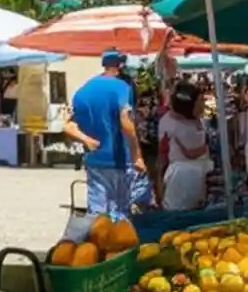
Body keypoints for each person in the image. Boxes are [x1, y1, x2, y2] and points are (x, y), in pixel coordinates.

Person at [65, 49, 146, 218]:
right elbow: (126, 121)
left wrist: (87, 140)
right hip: (119, 160)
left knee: (97, 213)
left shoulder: (83, 90)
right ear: (121, 65)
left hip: (95, 161)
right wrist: (137, 155)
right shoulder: (122, 87)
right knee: (121, 213)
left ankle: (98, 242)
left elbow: (69, 127)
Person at [157, 82, 212, 210]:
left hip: (199, 177)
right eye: (200, 101)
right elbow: (162, 158)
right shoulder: (170, 123)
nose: (203, 104)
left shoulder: (197, 121)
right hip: (180, 179)